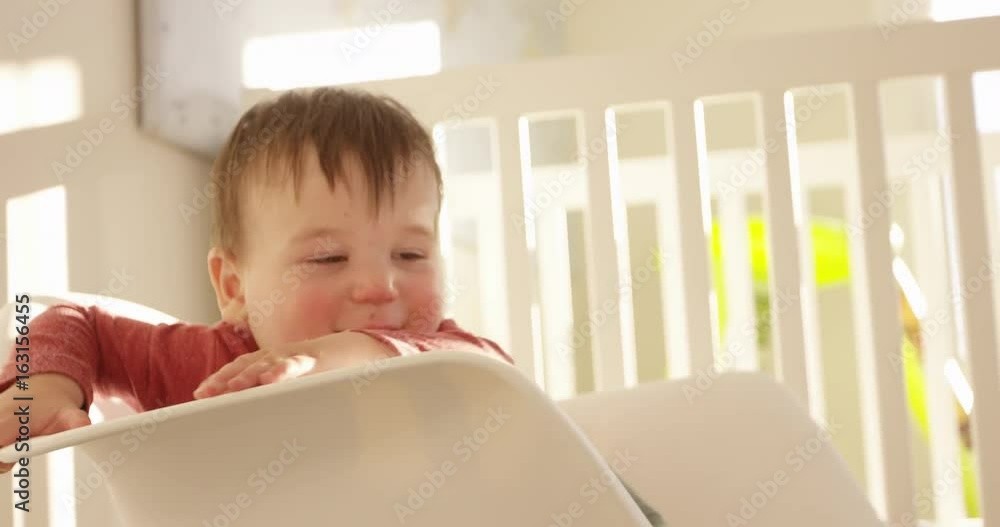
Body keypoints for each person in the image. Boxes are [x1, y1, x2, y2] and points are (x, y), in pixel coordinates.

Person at [0, 87, 513, 472]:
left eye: (410, 252)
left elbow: (494, 373)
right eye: (329, 257)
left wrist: (350, 352)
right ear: (233, 287)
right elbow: (75, 320)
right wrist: (42, 384)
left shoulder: (448, 354)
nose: (380, 285)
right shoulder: (208, 369)